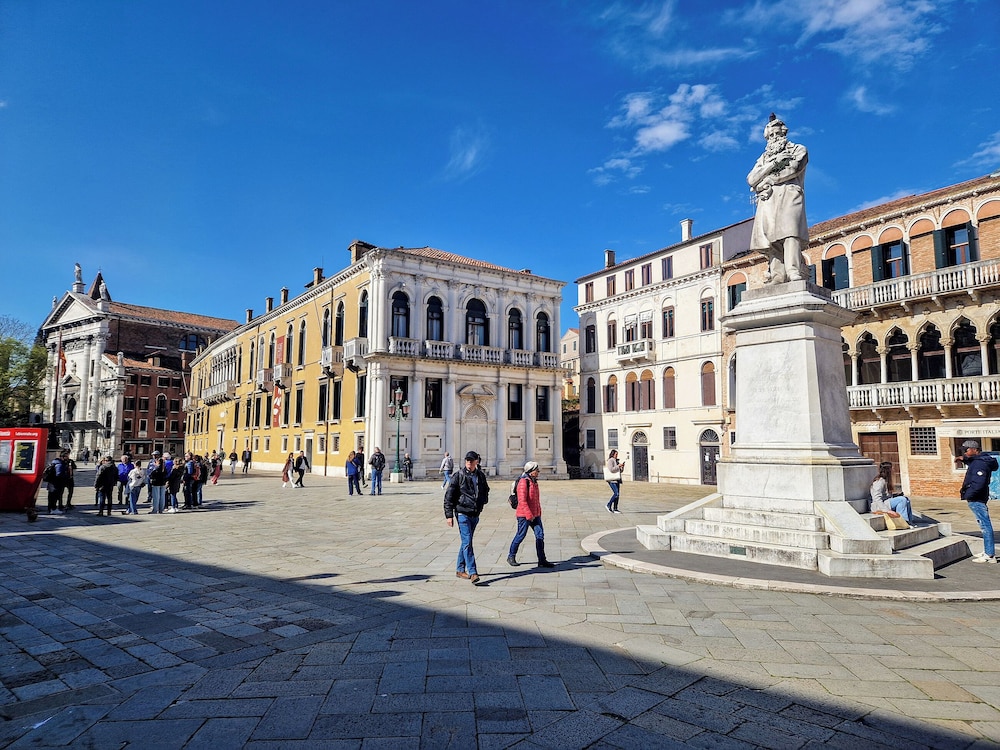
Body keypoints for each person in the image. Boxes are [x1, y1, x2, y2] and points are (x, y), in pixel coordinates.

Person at [747, 114, 809, 285]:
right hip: (768, 199)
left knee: (791, 233)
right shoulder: (764, 158)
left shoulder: (798, 150)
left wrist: (767, 180)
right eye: (771, 136)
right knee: (772, 238)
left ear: (784, 133)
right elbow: (751, 179)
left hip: (789, 194)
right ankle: (777, 275)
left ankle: (793, 271)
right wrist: (772, 165)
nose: (774, 138)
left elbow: (793, 169)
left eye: (777, 134)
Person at [444, 451, 490, 586]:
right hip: (462, 512)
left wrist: (482, 502)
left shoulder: (480, 475)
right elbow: (449, 496)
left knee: (466, 542)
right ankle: (473, 572)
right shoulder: (458, 475)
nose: (469, 462)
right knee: (467, 541)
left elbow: (486, 490)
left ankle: (459, 569)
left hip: (475, 513)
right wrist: (449, 515)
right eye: (467, 460)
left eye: (471, 460)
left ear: (477, 461)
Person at [956, 440, 1000, 563]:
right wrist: (963, 459)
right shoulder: (981, 460)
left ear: (975, 450)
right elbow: (973, 461)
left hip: (977, 498)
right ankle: (987, 550)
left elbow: (979, 483)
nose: (965, 452)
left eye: (967, 450)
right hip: (979, 497)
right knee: (983, 524)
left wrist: (969, 494)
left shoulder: (979, 464)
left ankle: (989, 554)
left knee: (985, 526)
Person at [507, 461, 555, 569]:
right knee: (520, 535)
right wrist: (529, 515)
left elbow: (535, 500)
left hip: (535, 514)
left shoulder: (534, 481)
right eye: (536, 470)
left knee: (540, 535)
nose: (538, 472)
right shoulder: (524, 482)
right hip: (524, 515)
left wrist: (538, 512)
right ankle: (511, 556)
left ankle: (542, 560)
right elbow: (522, 501)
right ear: (531, 471)